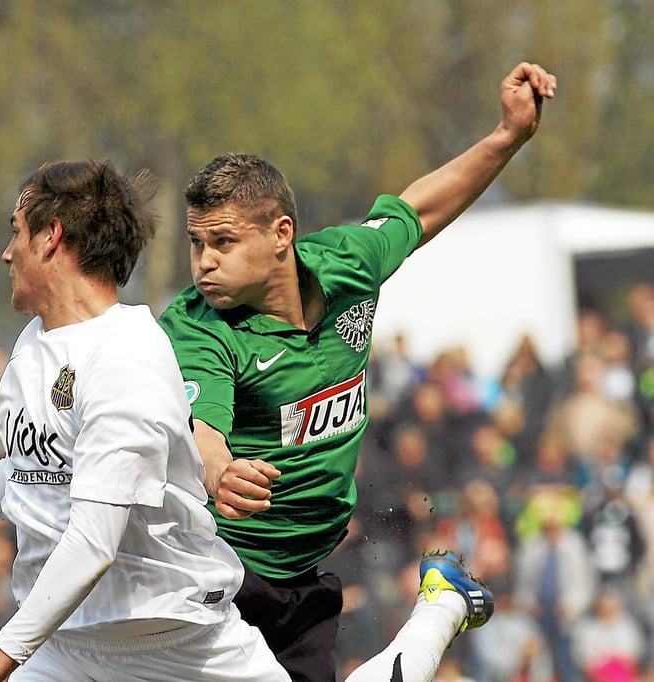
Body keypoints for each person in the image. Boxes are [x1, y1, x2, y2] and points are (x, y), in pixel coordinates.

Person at [156, 61, 556, 680]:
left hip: (303, 579)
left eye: (224, 242)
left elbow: (420, 210)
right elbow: (201, 427)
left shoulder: (347, 264)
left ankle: (441, 606)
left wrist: (507, 136)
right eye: (196, 242)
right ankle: (441, 610)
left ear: (281, 235)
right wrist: (219, 469)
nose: (204, 261)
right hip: (217, 572)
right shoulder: (197, 326)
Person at [0, 159, 289, 681]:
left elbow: (94, 542)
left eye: (16, 232)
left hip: (179, 648)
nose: (6, 252)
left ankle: (409, 635)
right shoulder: (33, 344)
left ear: (50, 237)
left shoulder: (126, 357)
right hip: (65, 649)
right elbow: (36, 473)